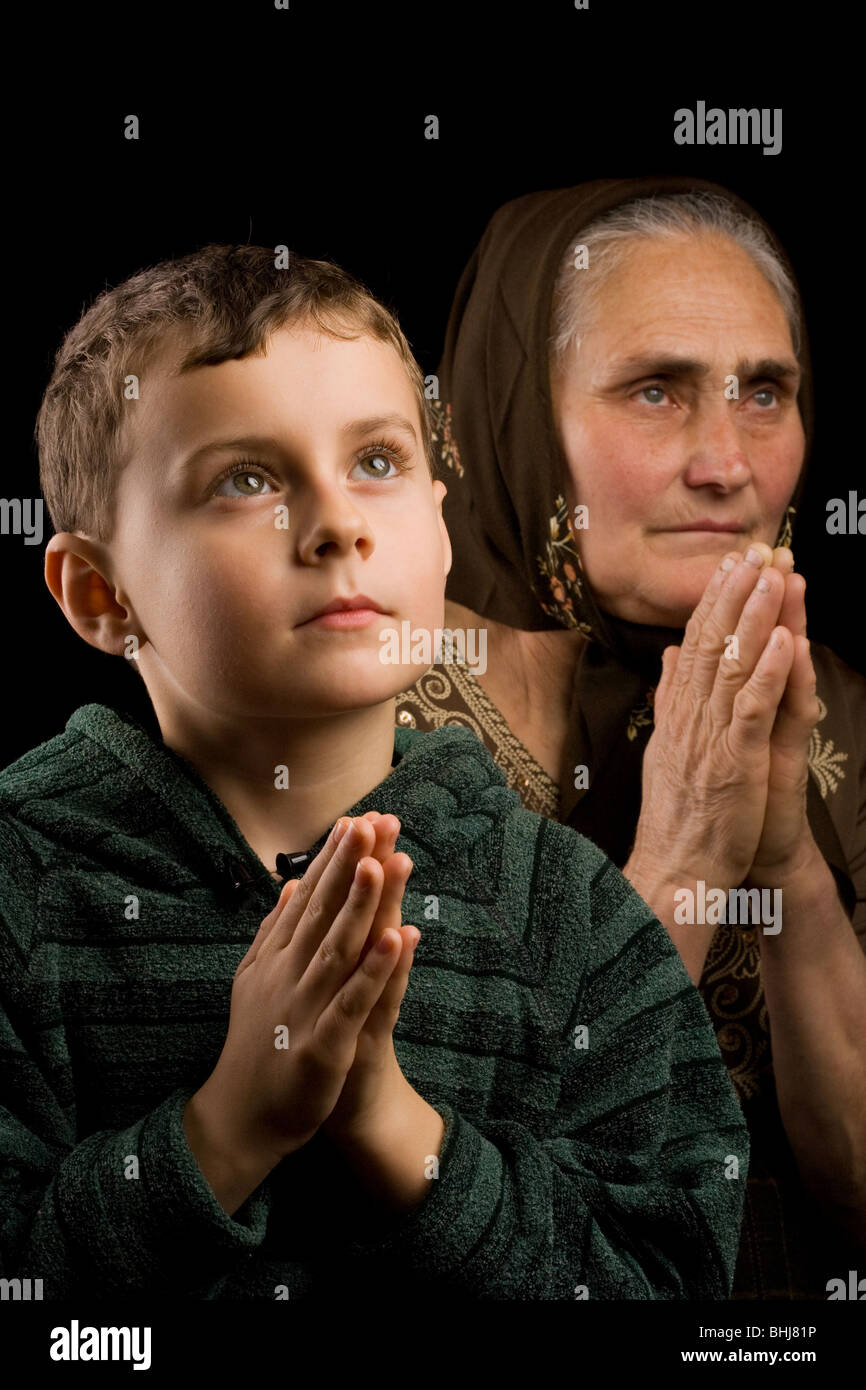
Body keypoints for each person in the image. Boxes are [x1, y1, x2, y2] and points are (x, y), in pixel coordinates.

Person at [0, 244, 748, 1300]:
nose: (338, 523)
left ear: (440, 532)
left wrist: (392, 1129)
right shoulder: (19, 886)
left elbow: (671, 1287)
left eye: (379, 463)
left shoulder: (569, 913)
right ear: (96, 592)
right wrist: (225, 1129)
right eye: (245, 479)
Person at [395, 177, 866, 1296]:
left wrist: (788, 862)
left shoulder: (834, 708)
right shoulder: (371, 712)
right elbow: (475, 1216)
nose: (725, 463)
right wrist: (689, 852)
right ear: (515, 413)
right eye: (654, 391)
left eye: (764, 391)